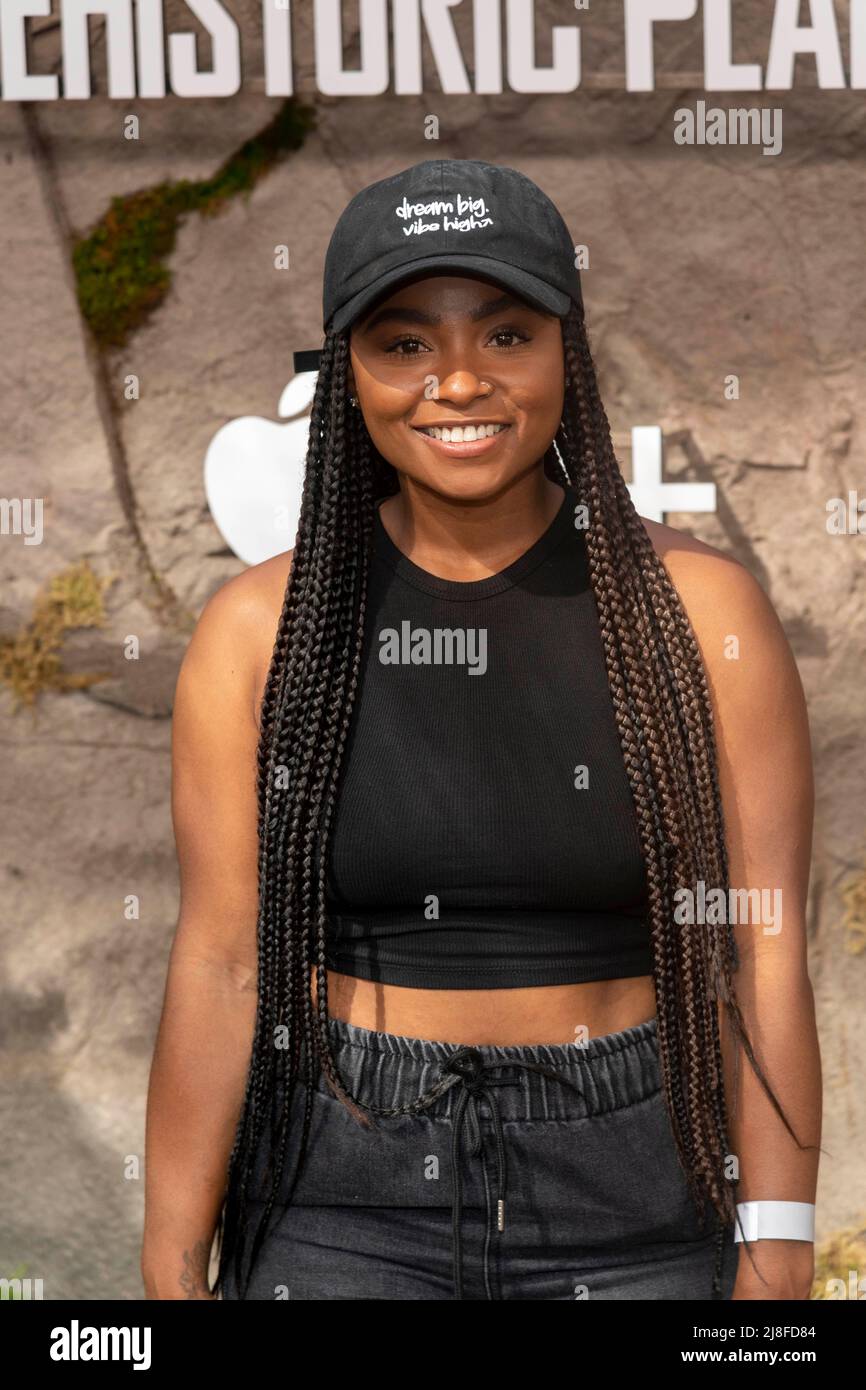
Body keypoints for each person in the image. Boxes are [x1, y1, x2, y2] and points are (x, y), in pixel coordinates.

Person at [141, 159, 821, 1301]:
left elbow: (759, 954)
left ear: (568, 352)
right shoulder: (258, 631)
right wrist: (169, 1257)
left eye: (504, 335)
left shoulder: (701, 612)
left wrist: (779, 1249)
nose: (456, 381)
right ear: (346, 373)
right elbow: (219, 962)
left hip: (636, 1188)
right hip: (336, 1194)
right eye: (404, 344)